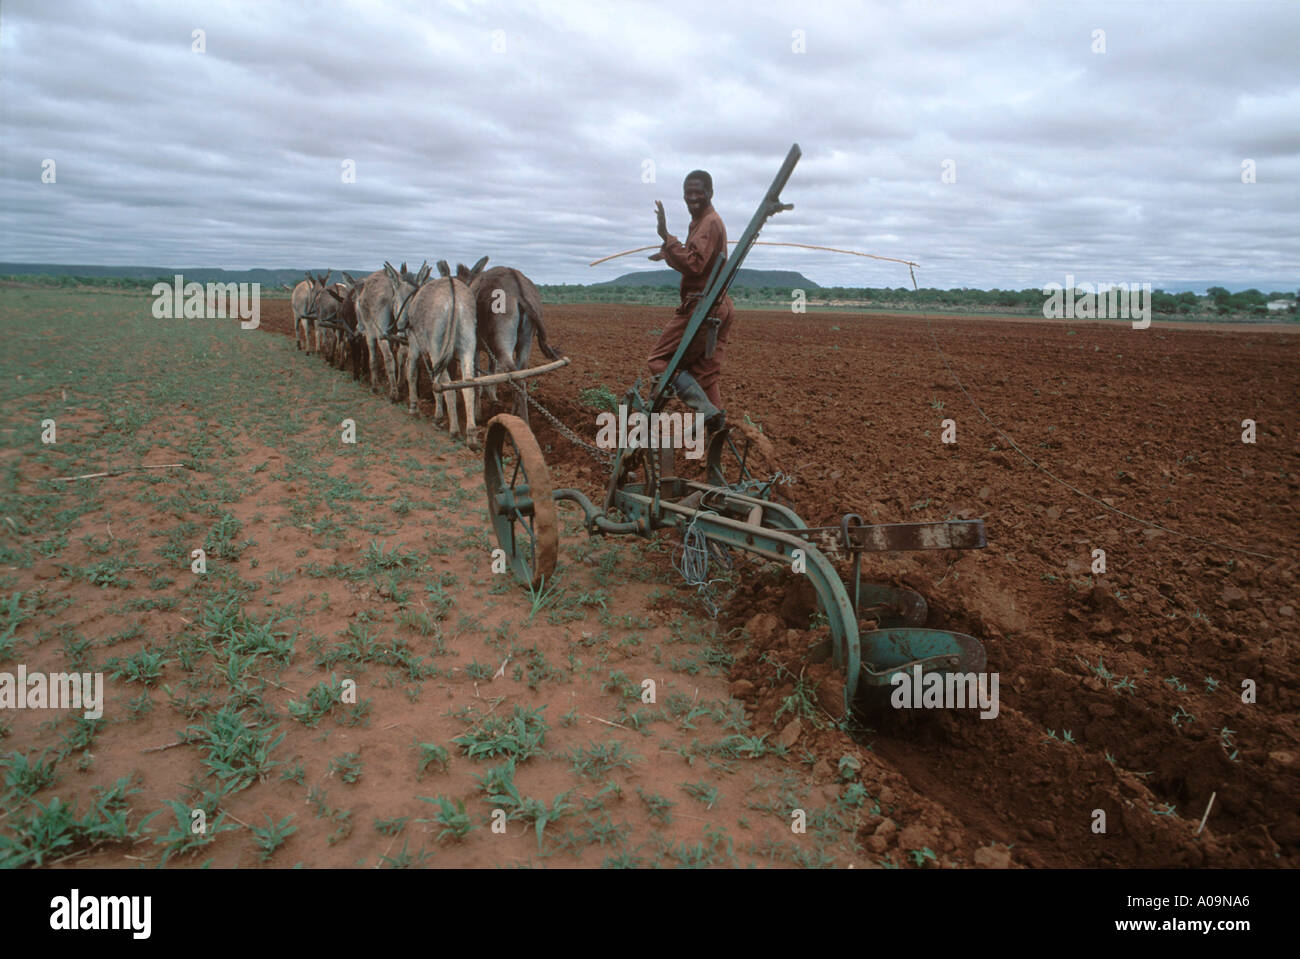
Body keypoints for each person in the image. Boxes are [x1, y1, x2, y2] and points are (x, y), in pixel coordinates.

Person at [646, 170, 733, 434]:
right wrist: (670, 251)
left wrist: (667, 237)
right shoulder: (702, 221)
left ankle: (708, 414)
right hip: (721, 306)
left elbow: (694, 264)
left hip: (702, 307)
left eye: (698, 192)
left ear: (710, 193)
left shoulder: (708, 222)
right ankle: (716, 437)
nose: (692, 198)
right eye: (688, 193)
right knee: (705, 377)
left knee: (659, 361)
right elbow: (697, 257)